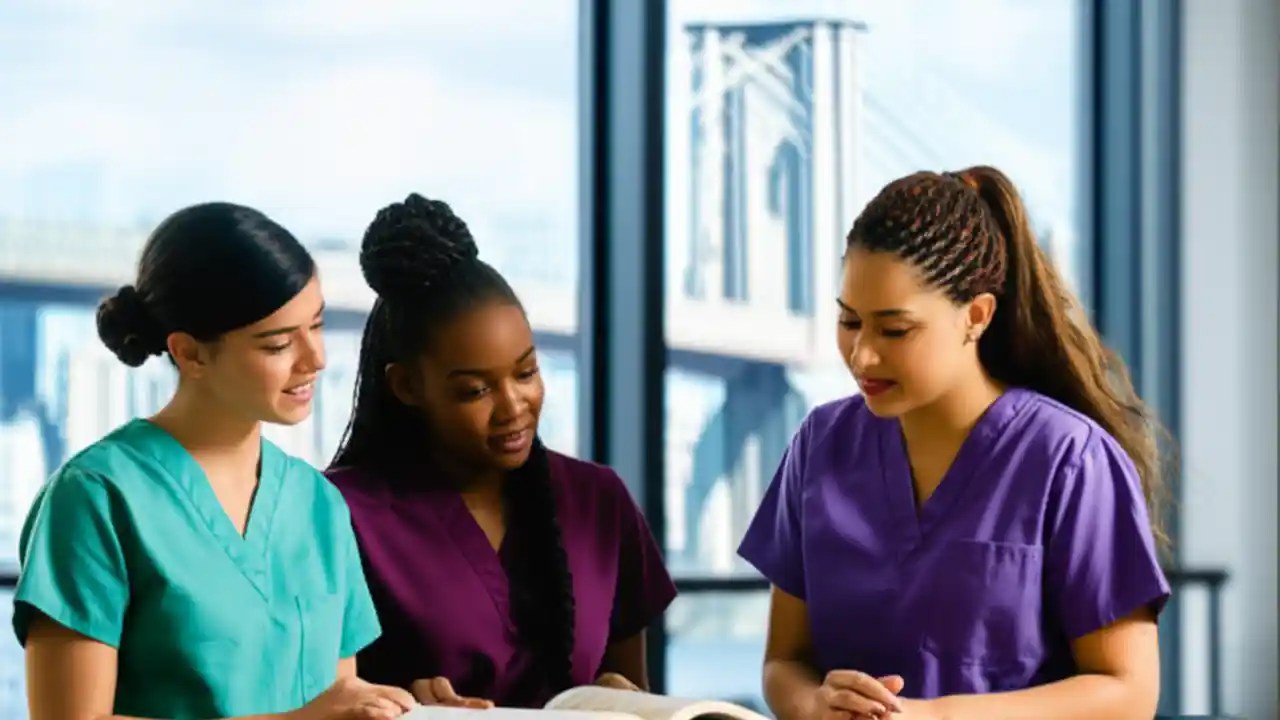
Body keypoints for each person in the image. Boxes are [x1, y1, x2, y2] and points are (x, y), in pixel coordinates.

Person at [738, 167, 1171, 720]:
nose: (862, 355)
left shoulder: (1069, 459)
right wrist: (813, 705)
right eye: (850, 321)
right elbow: (784, 663)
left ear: (977, 316)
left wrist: (934, 717)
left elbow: (1129, 693)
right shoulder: (819, 446)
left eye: (895, 330)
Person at [14, 202, 417, 720]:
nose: (314, 359)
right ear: (191, 354)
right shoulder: (96, 498)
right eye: (277, 343)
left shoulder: (318, 504)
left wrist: (412, 708)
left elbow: (338, 702)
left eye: (316, 326)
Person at [325, 194, 677, 709]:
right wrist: (406, 704)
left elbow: (634, 691)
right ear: (405, 386)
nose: (514, 407)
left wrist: (617, 696)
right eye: (475, 390)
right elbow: (318, 702)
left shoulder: (598, 500)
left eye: (527, 372)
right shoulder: (340, 513)